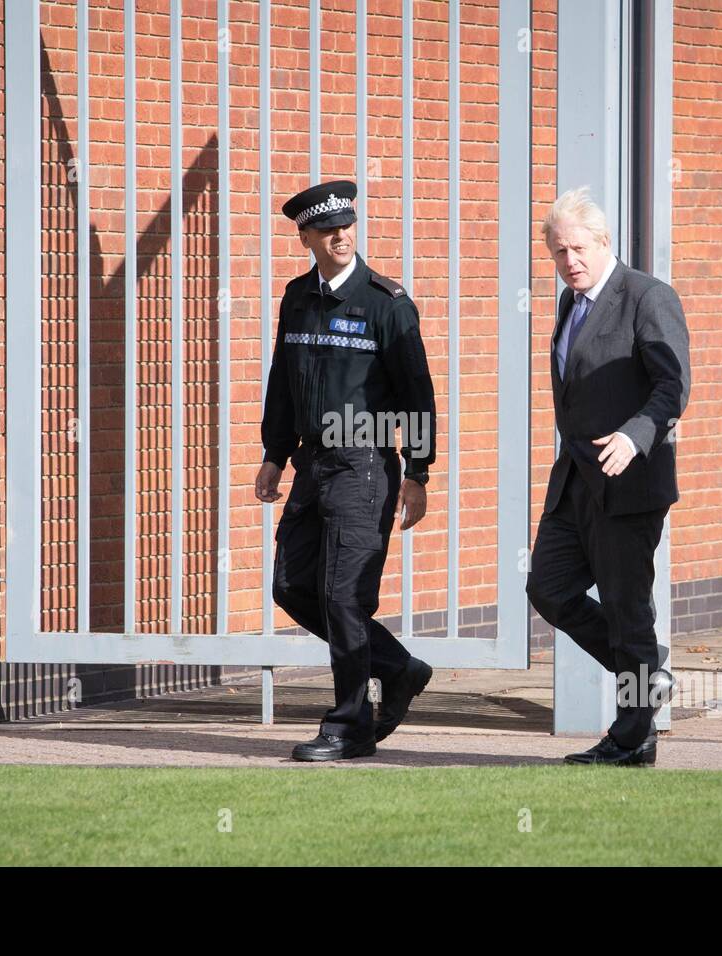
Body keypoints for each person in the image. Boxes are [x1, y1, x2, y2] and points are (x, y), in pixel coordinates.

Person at [256, 180, 437, 762]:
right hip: (313, 464)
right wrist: (274, 453)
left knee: (344, 596)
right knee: (292, 584)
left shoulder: (386, 302)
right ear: (305, 236)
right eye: (326, 229)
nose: (339, 236)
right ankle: (395, 667)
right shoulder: (297, 298)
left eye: (347, 226)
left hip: (364, 466)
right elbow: (284, 381)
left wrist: (419, 471)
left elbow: (419, 394)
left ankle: (351, 724)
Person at [526, 186, 691, 766]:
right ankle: (646, 674)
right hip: (575, 482)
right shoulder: (571, 304)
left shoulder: (647, 297)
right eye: (558, 252)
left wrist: (635, 434)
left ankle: (632, 738)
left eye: (577, 248)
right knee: (546, 588)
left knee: (626, 610)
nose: (569, 261)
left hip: (630, 482)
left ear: (603, 242)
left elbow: (672, 388)